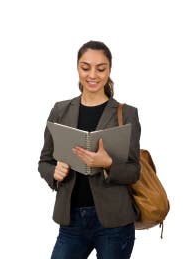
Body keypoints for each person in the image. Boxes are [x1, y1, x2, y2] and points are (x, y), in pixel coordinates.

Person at [38, 40, 141, 259]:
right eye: (85, 68)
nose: (92, 75)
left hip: (114, 224)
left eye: (100, 68)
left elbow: (134, 171)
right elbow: (44, 161)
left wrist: (108, 164)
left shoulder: (127, 114)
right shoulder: (60, 110)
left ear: (109, 70)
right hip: (71, 221)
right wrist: (53, 173)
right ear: (77, 68)